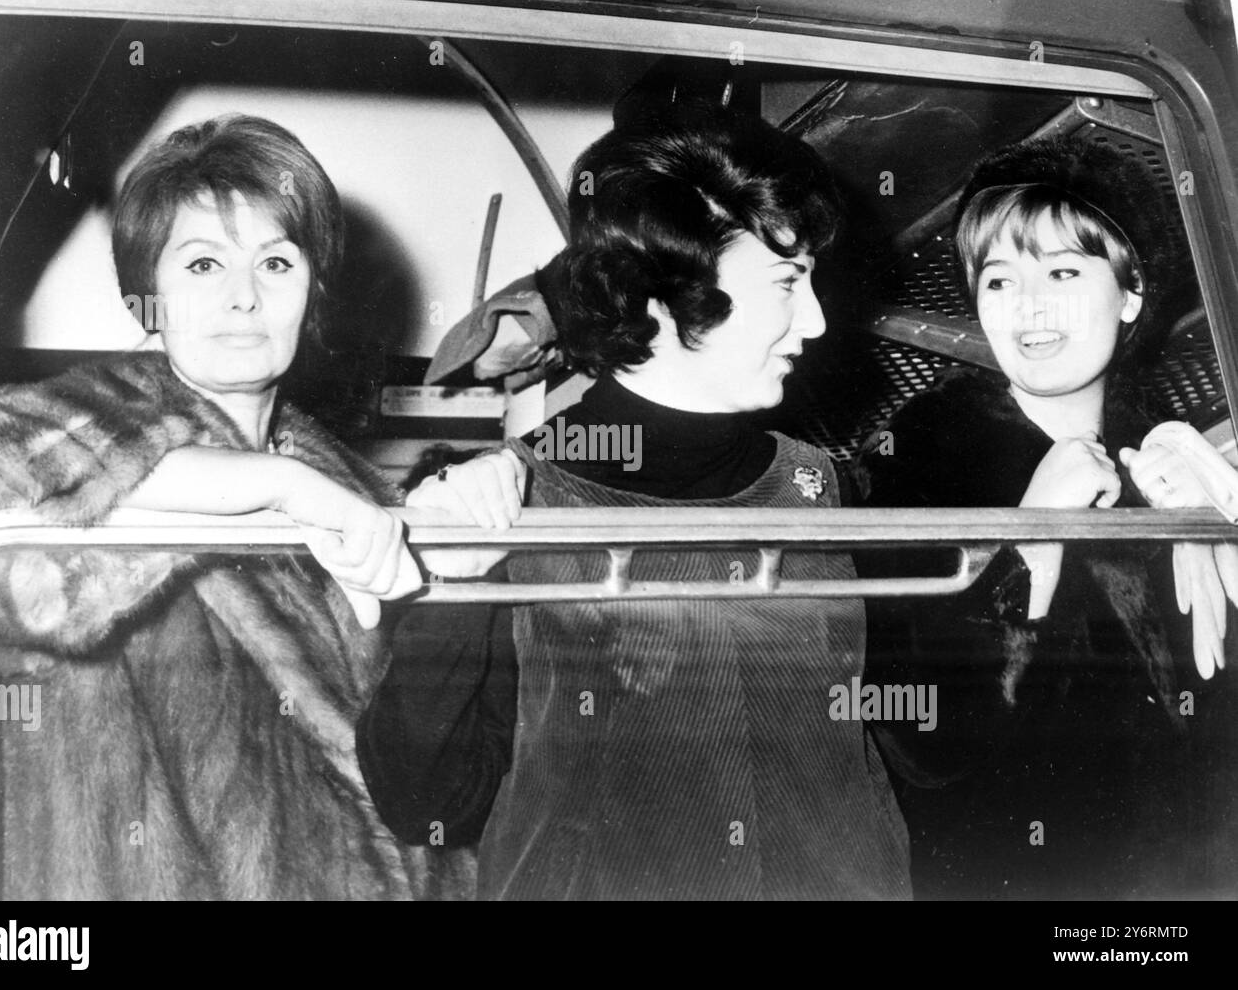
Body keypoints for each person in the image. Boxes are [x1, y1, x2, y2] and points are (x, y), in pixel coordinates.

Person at [0, 114, 521, 900]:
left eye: (276, 263)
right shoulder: (51, 426)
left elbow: (424, 792)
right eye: (204, 263)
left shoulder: (356, 492)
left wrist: (461, 569)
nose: (243, 297)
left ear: (310, 292)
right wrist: (278, 487)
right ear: (150, 295)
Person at [360, 103, 912, 900]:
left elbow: (894, 750)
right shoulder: (508, 500)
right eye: (789, 283)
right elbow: (426, 801)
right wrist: (448, 585)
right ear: (664, 295)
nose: (819, 321)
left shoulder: (818, 484)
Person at [851, 136, 1230, 898]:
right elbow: (917, 740)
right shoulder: (917, 463)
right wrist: (1029, 538)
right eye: (998, 280)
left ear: (1131, 295)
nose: (1028, 306)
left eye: (1061, 271)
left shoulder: (1167, 463)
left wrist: (1223, 526)